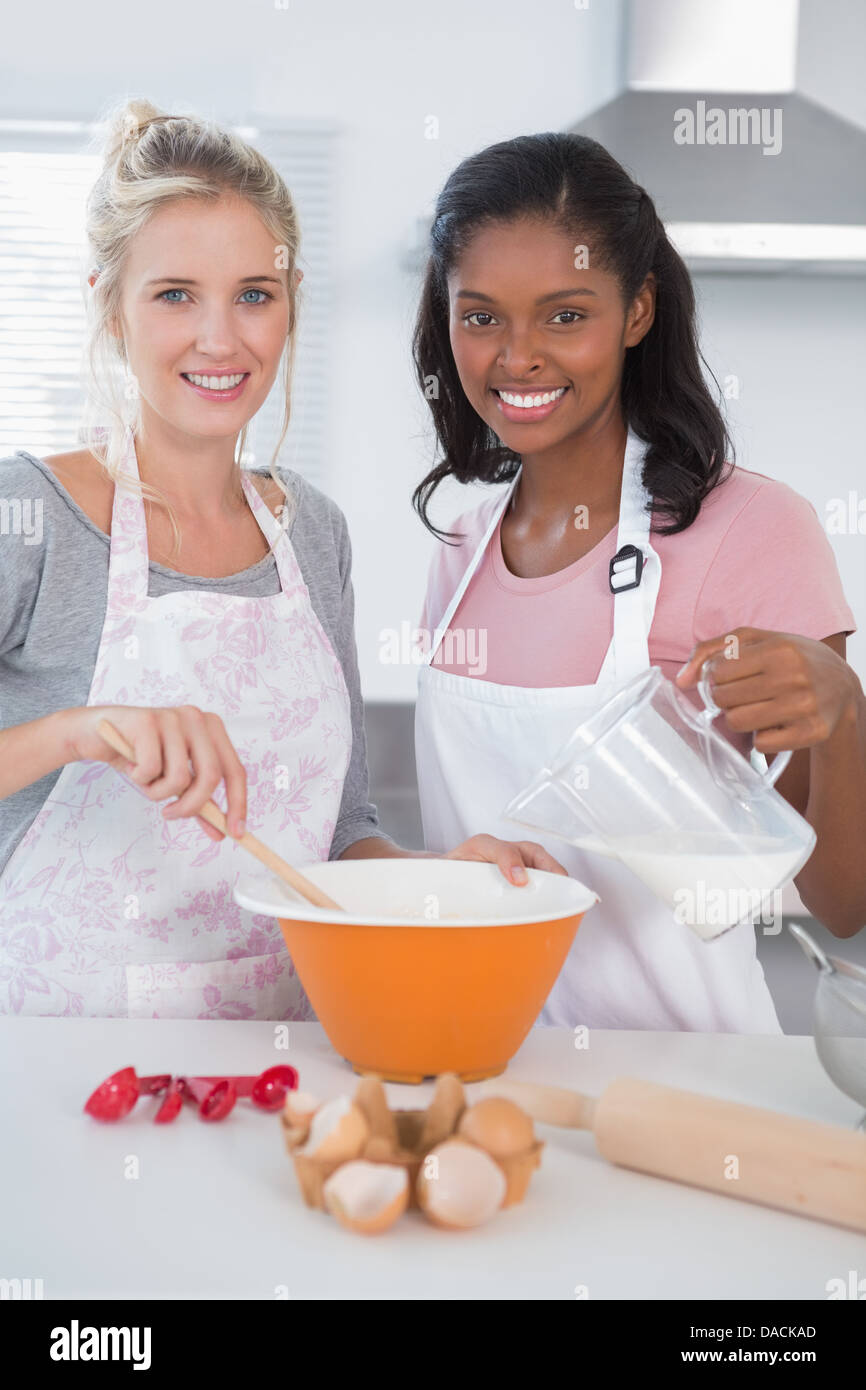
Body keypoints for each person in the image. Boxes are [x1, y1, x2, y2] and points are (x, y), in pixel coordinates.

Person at [0, 101, 561, 1020]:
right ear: (110, 306)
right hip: (60, 1073)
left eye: (254, 294)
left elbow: (339, 832)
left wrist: (438, 881)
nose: (222, 339)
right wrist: (81, 729)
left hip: (284, 1063)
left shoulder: (312, 534)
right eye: (175, 293)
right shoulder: (31, 518)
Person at [413, 132, 865, 1033]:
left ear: (638, 311)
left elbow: (845, 902)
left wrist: (845, 711)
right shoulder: (460, 553)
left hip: (690, 1088)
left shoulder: (751, 532)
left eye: (566, 315)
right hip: (483, 1062)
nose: (519, 357)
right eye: (482, 315)